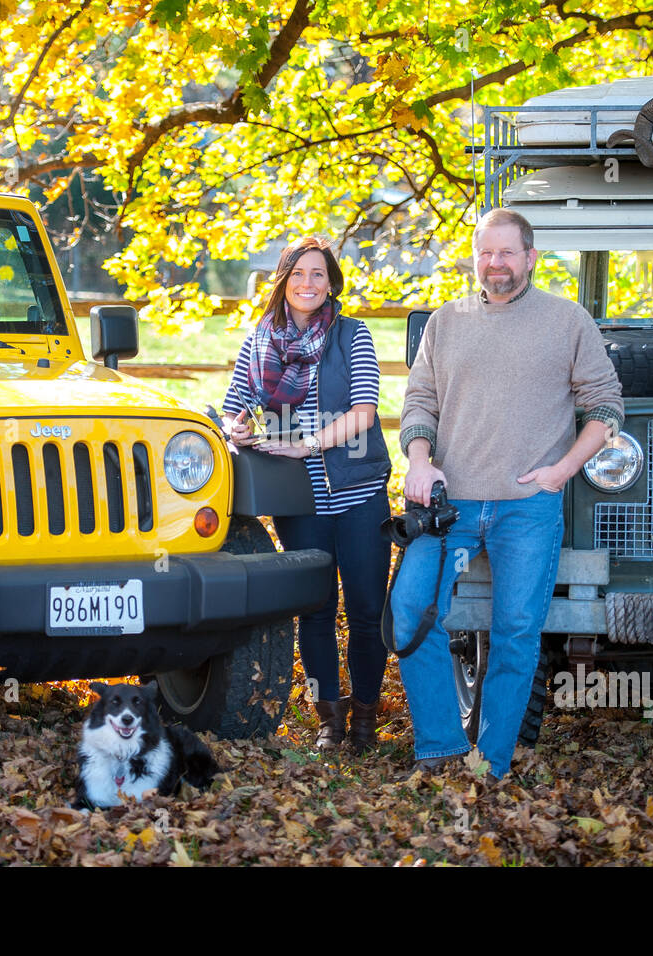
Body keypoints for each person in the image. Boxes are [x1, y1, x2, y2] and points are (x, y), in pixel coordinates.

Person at [392, 208, 623, 779]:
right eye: (484, 253)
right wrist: (421, 462)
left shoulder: (568, 321)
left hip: (529, 508)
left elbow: (606, 406)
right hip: (450, 507)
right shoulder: (445, 323)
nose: (494, 263)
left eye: (506, 253)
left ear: (530, 257)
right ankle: (442, 746)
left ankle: (489, 764)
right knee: (409, 616)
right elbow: (419, 403)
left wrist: (564, 469)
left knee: (517, 634)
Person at [221, 237, 392, 752]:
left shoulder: (353, 335)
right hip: (301, 499)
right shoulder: (259, 342)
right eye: (299, 273)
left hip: (358, 493)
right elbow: (233, 409)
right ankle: (329, 719)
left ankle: (364, 718)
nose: (308, 283)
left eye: (319, 274)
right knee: (313, 611)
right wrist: (240, 431)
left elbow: (364, 413)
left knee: (365, 609)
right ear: (283, 280)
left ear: (331, 283)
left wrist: (306, 445)